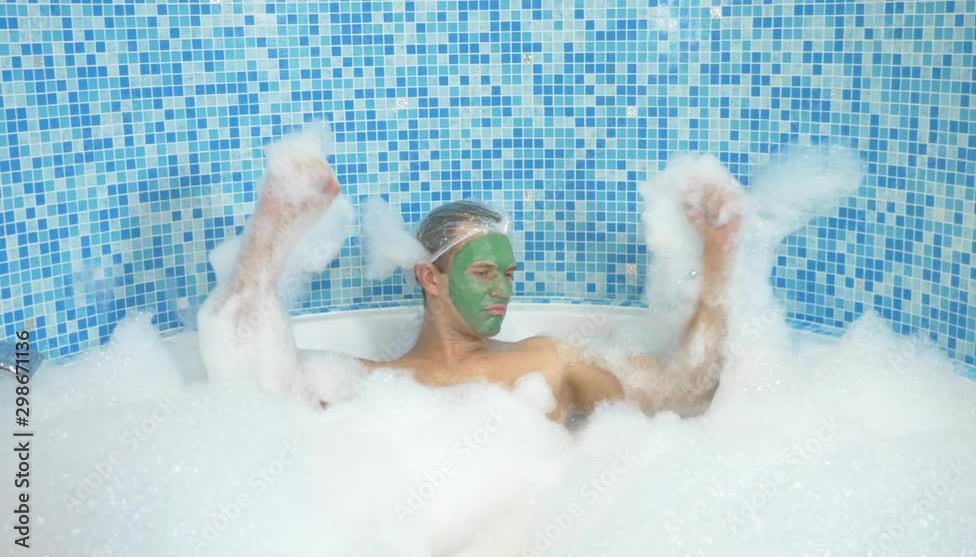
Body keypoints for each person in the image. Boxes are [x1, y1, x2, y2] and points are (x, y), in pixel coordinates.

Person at [197, 148, 741, 422]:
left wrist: (717, 257)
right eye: (483, 273)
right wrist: (271, 231)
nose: (502, 289)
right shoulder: (363, 384)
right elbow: (247, 383)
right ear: (430, 278)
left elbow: (687, 388)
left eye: (507, 275)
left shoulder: (549, 363)